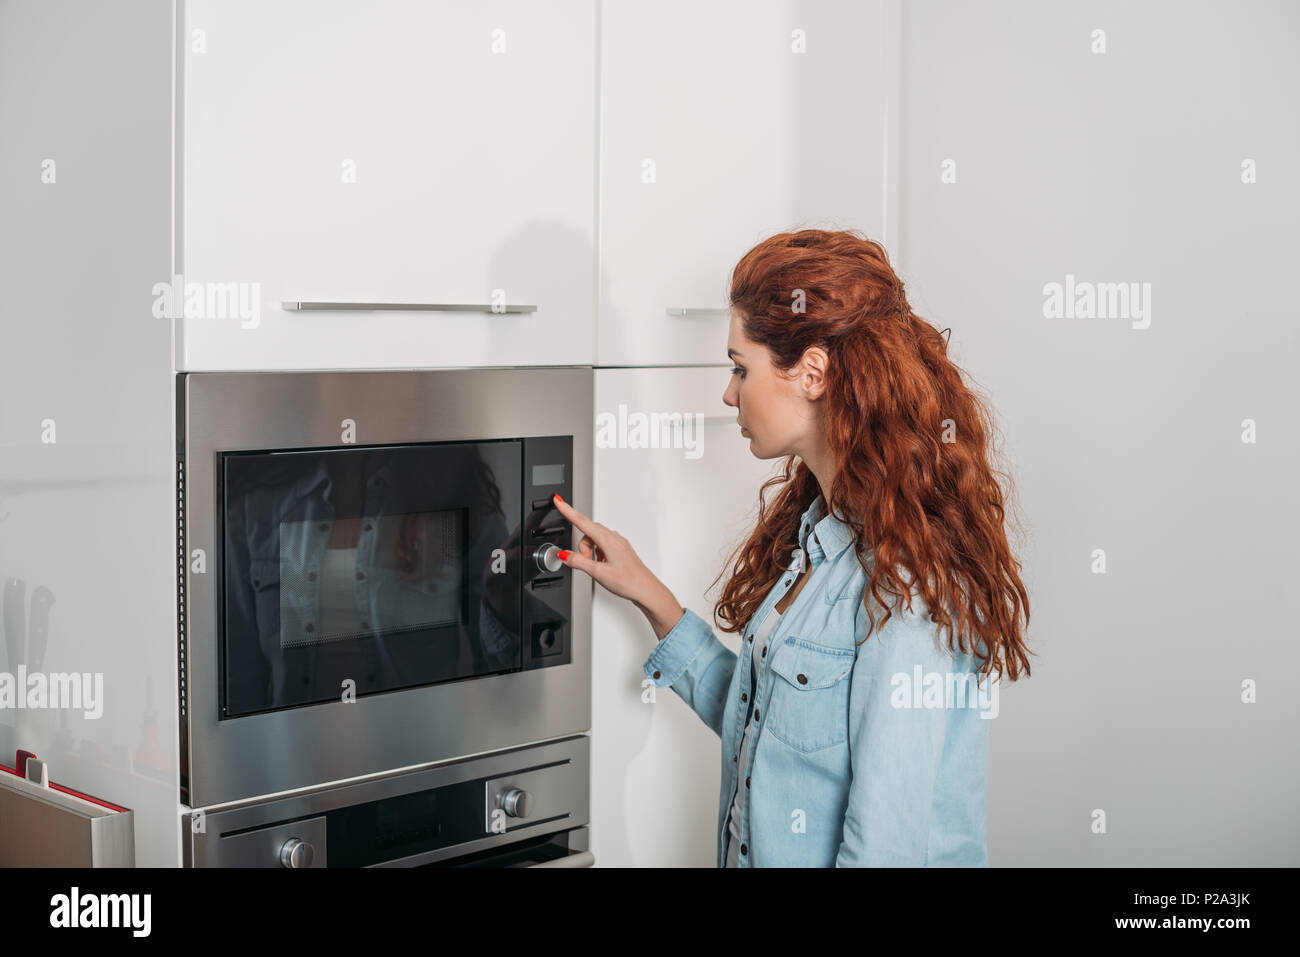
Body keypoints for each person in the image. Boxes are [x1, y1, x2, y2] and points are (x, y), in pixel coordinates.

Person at [553, 228, 1034, 867]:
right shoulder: (820, 534)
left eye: (739, 367)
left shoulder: (906, 591)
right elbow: (767, 725)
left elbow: (884, 852)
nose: (729, 393)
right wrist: (646, 591)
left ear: (811, 372)